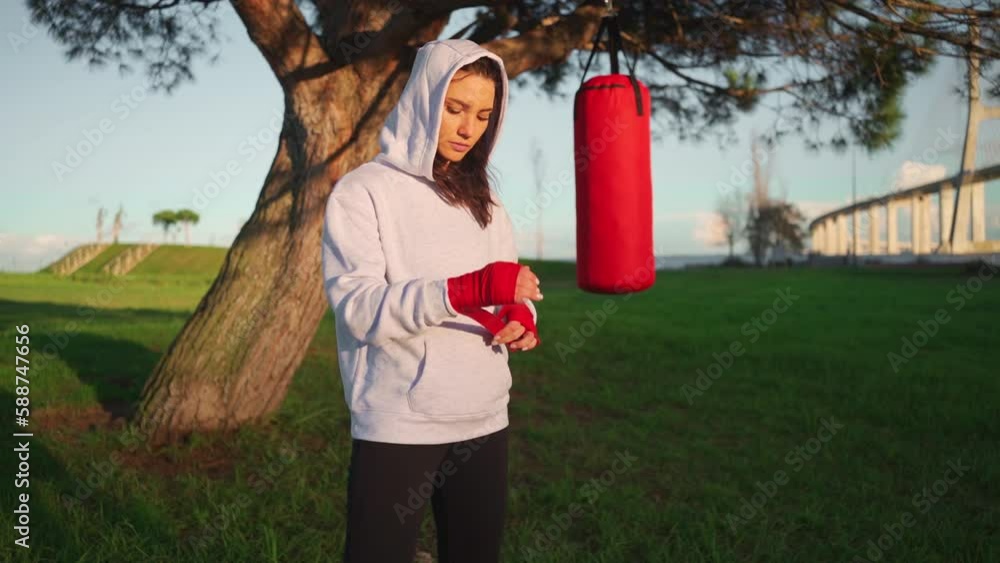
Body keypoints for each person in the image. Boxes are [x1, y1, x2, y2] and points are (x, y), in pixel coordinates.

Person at [321, 38, 544, 563]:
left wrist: (519, 316)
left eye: (485, 115)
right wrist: (467, 289)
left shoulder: (487, 203)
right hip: (400, 419)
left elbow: (507, 288)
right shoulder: (364, 192)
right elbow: (358, 309)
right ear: (424, 98)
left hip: (485, 417)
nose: (470, 128)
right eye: (456, 108)